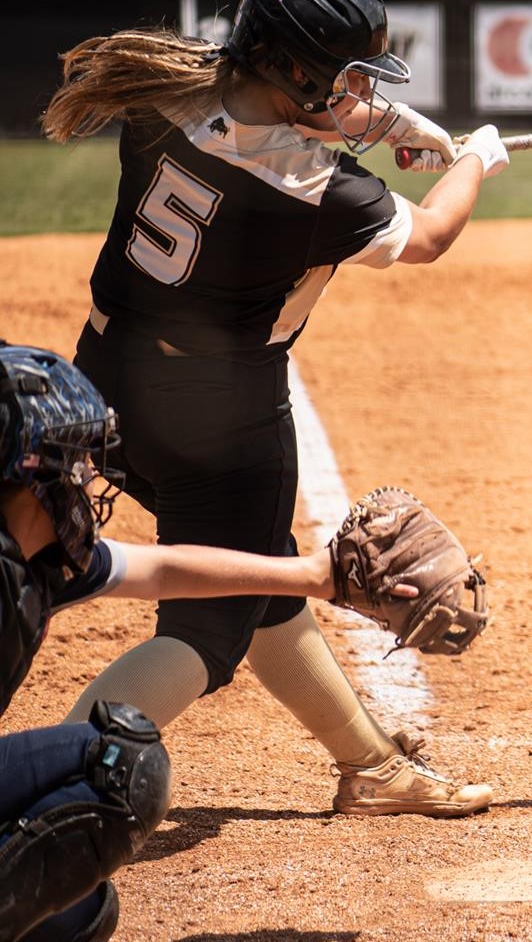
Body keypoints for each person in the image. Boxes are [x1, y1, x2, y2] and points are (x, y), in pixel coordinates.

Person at [36, 0, 509, 820]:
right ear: (293, 70)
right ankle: (45, 789)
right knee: (205, 632)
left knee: (249, 575)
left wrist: (398, 120)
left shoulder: (166, 93)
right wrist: (476, 156)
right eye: (342, 73)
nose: (356, 89)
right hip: (225, 423)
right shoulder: (315, 190)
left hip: (105, 380)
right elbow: (432, 233)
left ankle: (370, 765)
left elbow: (267, 116)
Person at [0, 344, 437, 942]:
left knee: (80, 910)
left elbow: (165, 569)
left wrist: (317, 576)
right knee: (119, 767)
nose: (81, 482)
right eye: (65, 466)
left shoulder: (35, 557)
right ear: (20, 474)